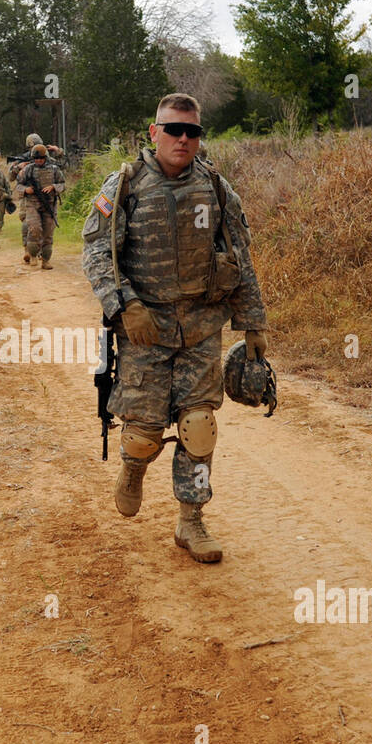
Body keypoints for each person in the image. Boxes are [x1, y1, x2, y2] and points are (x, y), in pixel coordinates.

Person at [81, 93, 268, 563]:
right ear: (154, 132)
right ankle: (134, 466)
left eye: (193, 131)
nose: (184, 139)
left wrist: (252, 323)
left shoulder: (217, 188)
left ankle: (192, 520)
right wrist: (124, 306)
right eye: (174, 129)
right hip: (145, 328)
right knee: (143, 432)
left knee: (199, 426)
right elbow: (97, 253)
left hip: (203, 325)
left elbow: (240, 256)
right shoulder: (124, 185)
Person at [16, 144, 65, 269]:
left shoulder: (54, 169)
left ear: (45, 158)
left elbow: (62, 184)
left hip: (49, 204)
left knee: (48, 233)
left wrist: (53, 187)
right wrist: (26, 190)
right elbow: (18, 186)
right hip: (32, 204)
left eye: (41, 158)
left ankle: (46, 260)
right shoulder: (29, 169)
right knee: (34, 228)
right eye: (36, 159)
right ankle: (33, 254)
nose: (38, 161)